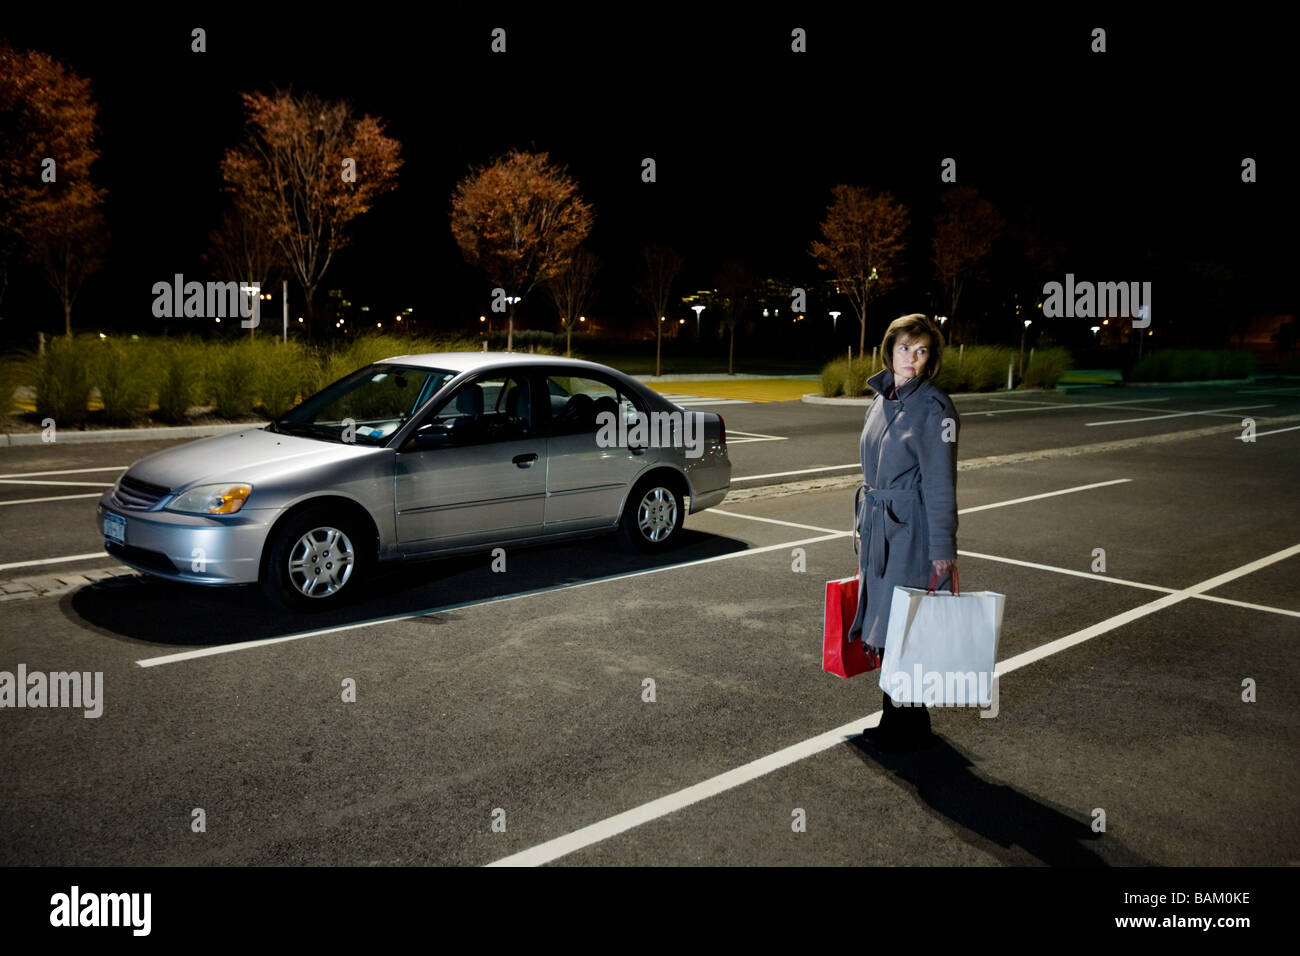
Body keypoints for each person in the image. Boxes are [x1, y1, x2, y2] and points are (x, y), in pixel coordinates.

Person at [847, 314, 959, 751]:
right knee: (887, 627)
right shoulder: (881, 398)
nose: (911, 357)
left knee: (904, 628)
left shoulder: (934, 408)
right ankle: (900, 720)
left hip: (912, 532)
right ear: (888, 350)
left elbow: (940, 484)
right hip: (879, 528)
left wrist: (942, 547)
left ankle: (909, 725)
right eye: (904, 348)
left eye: (922, 349)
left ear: (931, 357)